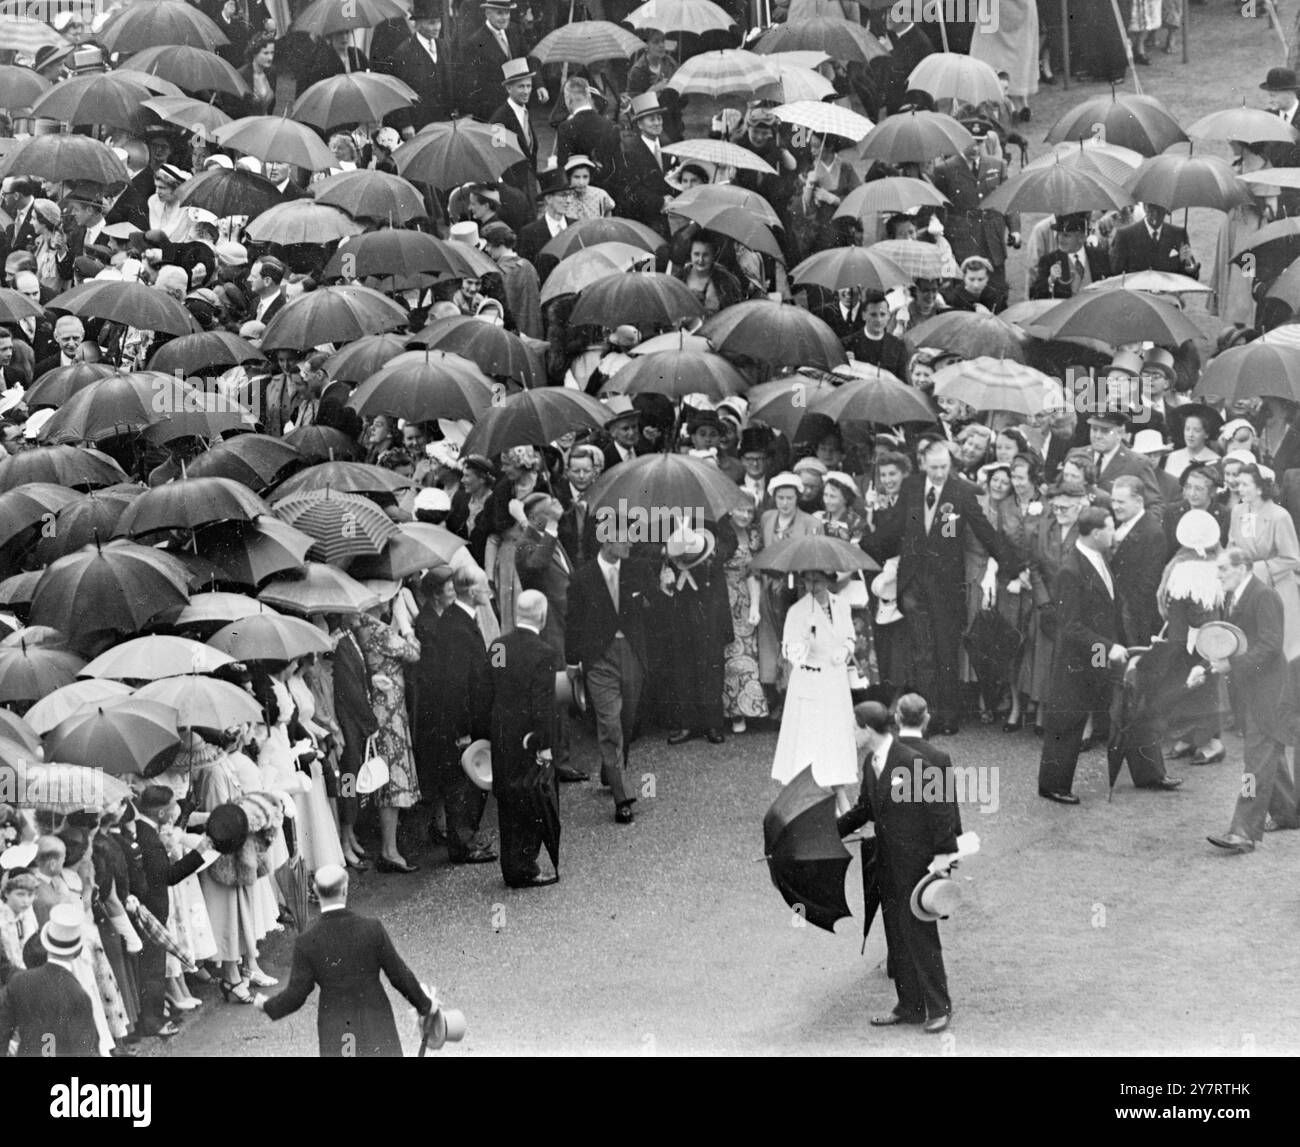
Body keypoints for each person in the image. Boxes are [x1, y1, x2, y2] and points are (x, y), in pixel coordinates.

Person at [837, 697, 961, 1034]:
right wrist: (829, 833)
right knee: (897, 937)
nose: (851, 732)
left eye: (853, 726)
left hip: (916, 865)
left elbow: (940, 812)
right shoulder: (871, 763)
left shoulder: (912, 761)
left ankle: (939, 1007)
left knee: (920, 936)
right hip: (887, 863)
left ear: (867, 729)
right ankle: (909, 1006)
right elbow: (865, 807)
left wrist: (942, 855)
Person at [877, 440, 1015, 734]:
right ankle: (924, 718)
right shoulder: (912, 486)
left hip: (946, 584)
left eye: (944, 467)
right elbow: (894, 526)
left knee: (945, 651)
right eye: (934, 467)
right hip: (913, 580)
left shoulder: (966, 492)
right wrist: (865, 551)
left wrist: (1014, 564)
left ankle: (948, 716)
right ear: (924, 463)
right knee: (922, 652)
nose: (939, 473)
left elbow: (986, 532)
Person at [255, 865, 432, 1055]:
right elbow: (399, 975)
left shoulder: (307, 942)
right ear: (345, 889)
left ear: (315, 890)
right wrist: (425, 1006)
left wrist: (267, 1006)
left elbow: (296, 995)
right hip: (375, 1020)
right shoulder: (372, 929)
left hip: (336, 1027)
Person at [1201, 549, 1300, 852]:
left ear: (1242, 567)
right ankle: (1287, 813)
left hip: (1270, 693)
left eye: (1222, 569)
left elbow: (1271, 644)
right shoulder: (1236, 596)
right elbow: (1232, 643)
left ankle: (1242, 831)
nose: (1217, 575)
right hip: (1254, 691)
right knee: (1269, 754)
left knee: (1254, 765)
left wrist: (1233, 665)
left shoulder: (1263, 595)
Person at [1038, 507, 1138, 804]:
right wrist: (1108, 648)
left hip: (1100, 651)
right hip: (1082, 657)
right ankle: (1053, 784)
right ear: (1095, 533)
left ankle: (1149, 771)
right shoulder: (1071, 570)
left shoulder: (1098, 556)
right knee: (1069, 718)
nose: (1114, 532)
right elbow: (1070, 627)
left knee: (1130, 707)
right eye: (1110, 527)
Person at [565, 532, 655, 824]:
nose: (630, 544)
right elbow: (573, 622)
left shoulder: (639, 570)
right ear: (606, 542)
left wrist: (661, 592)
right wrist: (571, 662)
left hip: (632, 654)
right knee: (610, 723)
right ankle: (622, 796)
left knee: (627, 720)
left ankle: (611, 767)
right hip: (600, 659)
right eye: (624, 539)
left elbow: (656, 607)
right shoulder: (582, 578)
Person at [414, 567, 496, 864]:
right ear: (472, 592)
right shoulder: (458, 627)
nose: (490, 592)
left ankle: (465, 839)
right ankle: (462, 844)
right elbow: (457, 684)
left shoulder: (458, 620)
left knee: (466, 783)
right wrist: (463, 728)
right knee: (463, 784)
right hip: (461, 723)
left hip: (465, 719)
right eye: (486, 587)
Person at [488, 590, 561, 888]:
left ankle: (511, 865)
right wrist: (545, 746)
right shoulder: (544, 653)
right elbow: (541, 704)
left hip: (503, 732)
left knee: (507, 798)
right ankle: (526, 865)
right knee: (531, 798)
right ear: (542, 617)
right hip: (528, 738)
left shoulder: (498, 646)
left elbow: (487, 688)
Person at [770, 569, 858, 814]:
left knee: (835, 741)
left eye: (817, 580)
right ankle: (810, 804)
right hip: (810, 682)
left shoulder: (841, 605)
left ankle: (841, 801)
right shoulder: (797, 611)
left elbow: (849, 636)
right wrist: (803, 642)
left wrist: (846, 649)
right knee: (810, 743)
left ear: (829, 580)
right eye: (807, 580)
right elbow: (789, 651)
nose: (812, 585)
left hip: (835, 683)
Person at [352, 596, 422, 873]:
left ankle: (389, 846)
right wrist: (406, 625)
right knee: (392, 780)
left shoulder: (362, 628)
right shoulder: (378, 629)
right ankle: (389, 849)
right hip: (390, 713)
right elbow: (414, 652)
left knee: (387, 779)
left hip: (381, 709)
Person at [657, 523, 733, 746]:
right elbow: (643, 545)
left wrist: (711, 554)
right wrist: (665, 552)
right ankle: (686, 723)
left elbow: (730, 540)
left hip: (708, 594)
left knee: (710, 660)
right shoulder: (660, 512)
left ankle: (712, 723)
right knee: (682, 661)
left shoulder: (708, 508)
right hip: (676, 596)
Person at [0, 902, 102, 1057]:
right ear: (76, 951)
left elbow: (2, 1033)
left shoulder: (18, 982)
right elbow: (87, 1051)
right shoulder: (78, 995)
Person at [1228, 463, 1300, 662]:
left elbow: (1292, 558)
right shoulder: (1238, 511)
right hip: (1246, 586)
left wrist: (1259, 569)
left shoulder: (1279, 516)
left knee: (1279, 646)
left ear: (1260, 488)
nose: (1239, 489)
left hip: (1276, 588)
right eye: (1238, 484)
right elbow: (1232, 545)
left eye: (1245, 484)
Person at [1110, 476, 1167, 645]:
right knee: (1101, 660)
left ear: (1138, 501)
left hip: (1134, 622)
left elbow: (1148, 583)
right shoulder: (1114, 524)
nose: (1115, 507)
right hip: (1113, 617)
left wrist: (1124, 611)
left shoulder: (1152, 533)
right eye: (1113, 501)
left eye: (1121, 502)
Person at [459, 0, 526, 122]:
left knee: (517, 140)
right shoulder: (476, 42)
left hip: (516, 103)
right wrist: (469, 110)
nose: (505, 18)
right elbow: (470, 81)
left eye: (507, 13)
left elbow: (526, 58)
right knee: (498, 140)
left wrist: (539, 86)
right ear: (488, 14)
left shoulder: (514, 30)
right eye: (499, 13)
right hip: (492, 109)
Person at [1109, 203, 1200, 278]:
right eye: (1152, 209)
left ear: (1166, 210)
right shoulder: (1125, 235)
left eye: (1160, 210)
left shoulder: (1178, 234)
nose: (1155, 215)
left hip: (1167, 295)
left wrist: (1187, 263)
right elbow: (1116, 272)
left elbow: (1192, 276)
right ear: (1144, 208)